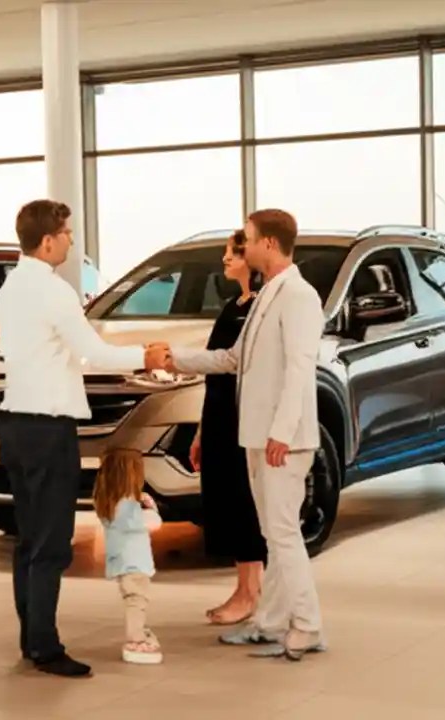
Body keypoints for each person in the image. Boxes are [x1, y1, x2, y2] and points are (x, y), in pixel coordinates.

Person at [0, 198, 167, 678]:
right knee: (52, 544)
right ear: (48, 239)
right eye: (67, 233)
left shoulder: (8, 289)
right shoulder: (55, 292)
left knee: (29, 540)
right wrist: (145, 358)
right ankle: (46, 648)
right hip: (49, 429)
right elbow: (92, 352)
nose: (71, 240)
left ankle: (31, 638)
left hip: (14, 425)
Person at [159, 208, 327, 661]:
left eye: (249, 239)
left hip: (282, 440)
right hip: (255, 436)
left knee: (284, 533)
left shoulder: (298, 296)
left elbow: (298, 369)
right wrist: (176, 360)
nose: (244, 247)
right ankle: (271, 623)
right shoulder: (266, 293)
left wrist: (281, 432)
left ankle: (308, 625)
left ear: (269, 243)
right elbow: (233, 359)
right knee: (274, 535)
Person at [190, 230, 266, 626]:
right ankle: (244, 586)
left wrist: (175, 360)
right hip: (220, 415)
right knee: (224, 502)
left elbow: (230, 362)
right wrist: (203, 431)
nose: (225, 261)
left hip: (244, 418)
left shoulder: (260, 308)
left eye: (231, 254)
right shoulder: (231, 305)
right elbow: (214, 373)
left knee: (243, 503)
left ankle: (251, 591)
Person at [93, 448, 164, 665]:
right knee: (137, 600)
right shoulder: (128, 507)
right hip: (134, 562)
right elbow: (153, 523)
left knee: (134, 598)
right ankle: (136, 638)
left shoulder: (109, 503)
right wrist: (151, 508)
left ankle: (138, 631)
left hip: (123, 561)